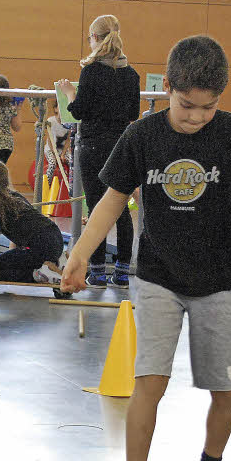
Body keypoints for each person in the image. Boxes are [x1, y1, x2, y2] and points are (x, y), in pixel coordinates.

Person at [60, 35, 231, 461]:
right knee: (150, 380)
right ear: (167, 87)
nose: (195, 117)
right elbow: (109, 201)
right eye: (187, 105)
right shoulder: (142, 136)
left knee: (227, 388)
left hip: (220, 279)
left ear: (221, 99)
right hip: (158, 277)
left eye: (207, 108)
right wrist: (80, 253)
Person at [57, 14, 140, 289]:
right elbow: (133, 113)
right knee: (122, 207)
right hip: (120, 146)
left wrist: (70, 93)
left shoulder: (91, 71)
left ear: (94, 39)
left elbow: (79, 111)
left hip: (93, 145)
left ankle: (97, 271)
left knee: (97, 208)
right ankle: (123, 271)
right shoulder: (131, 74)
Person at [0, 160, 63, 289]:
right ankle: (57, 264)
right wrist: (13, 259)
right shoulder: (15, 196)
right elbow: (19, 231)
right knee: (5, 264)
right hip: (56, 239)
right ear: (6, 180)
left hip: (40, 246)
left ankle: (40, 275)